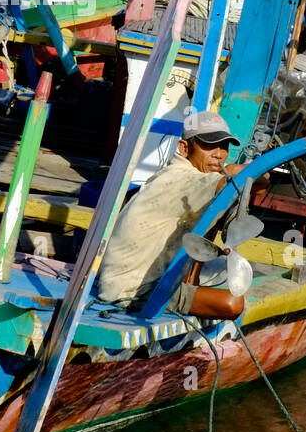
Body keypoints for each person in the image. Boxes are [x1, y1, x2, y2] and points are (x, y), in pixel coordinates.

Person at [96, 110, 243, 319]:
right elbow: (243, 179)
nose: (219, 154)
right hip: (132, 290)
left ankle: (188, 286)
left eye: (224, 147)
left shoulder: (186, 175)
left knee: (226, 269)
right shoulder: (181, 179)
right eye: (209, 145)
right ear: (184, 148)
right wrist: (235, 168)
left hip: (137, 278)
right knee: (233, 303)